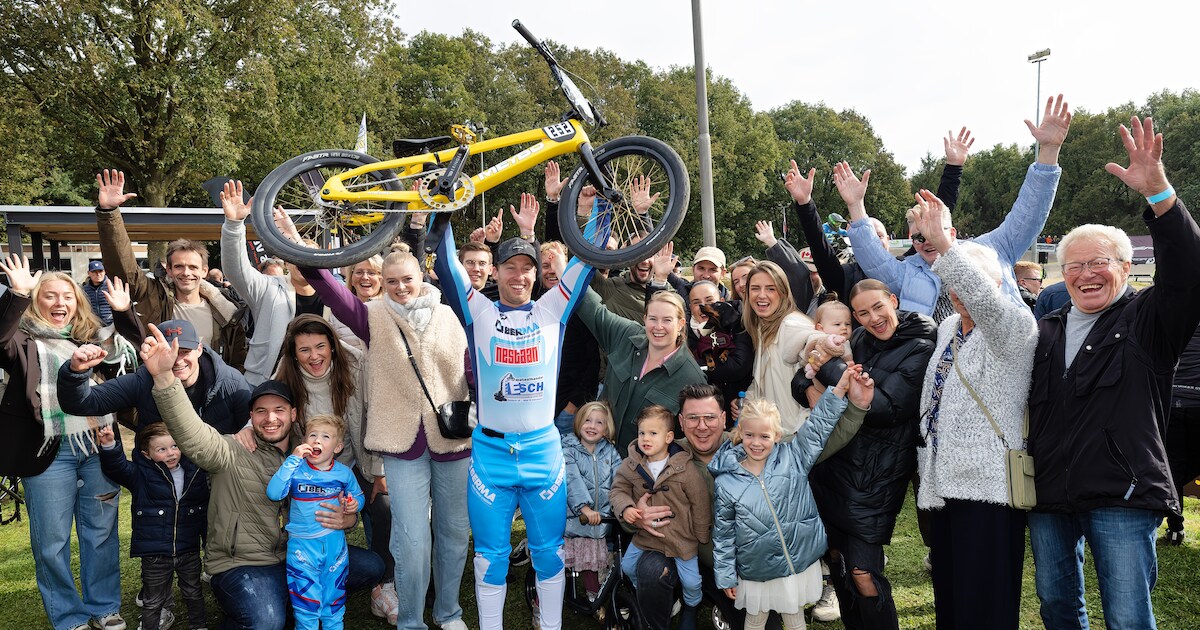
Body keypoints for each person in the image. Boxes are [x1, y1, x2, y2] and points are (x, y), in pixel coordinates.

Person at [1027, 116, 1200, 629]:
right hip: (1051, 496)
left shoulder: (1149, 319)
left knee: (1127, 617)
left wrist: (1160, 195)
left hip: (1122, 494)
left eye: (1099, 262)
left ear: (1126, 268)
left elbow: (1189, 271)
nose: (1086, 274)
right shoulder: (1048, 327)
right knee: (1058, 608)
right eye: (1074, 265)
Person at [144, 326, 384, 630]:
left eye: (278, 410)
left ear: (294, 414)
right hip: (244, 564)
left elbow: (339, 498)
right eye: (261, 411)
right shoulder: (231, 449)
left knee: (371, 567)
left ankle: (292, 597)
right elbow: (191, 434)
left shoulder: (311, 457)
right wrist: (165, 379)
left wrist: (348, 518)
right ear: (251, 417)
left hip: (297, 553)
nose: (270, 418)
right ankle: (269, 606)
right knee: (266, 620)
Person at [430, 195, 594, 630]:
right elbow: (446, 265)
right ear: (495, 273)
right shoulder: (478, 311)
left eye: (527, 267)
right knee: (490, 556)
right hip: (490, 456)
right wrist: (441, 208)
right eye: (510, 268)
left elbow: (590, 257)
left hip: (543, 452)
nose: (519, 276)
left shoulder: (552, 310)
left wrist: (604, 206)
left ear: (536, 273)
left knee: (548, 552)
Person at [301, 250, 472, 630]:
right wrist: (296, 245)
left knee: (454, 533)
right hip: (401, 445)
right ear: (382, 282)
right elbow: (327, 288)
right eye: (391, 281)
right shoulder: (372, 316)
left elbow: (468, 363)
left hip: (452, 441)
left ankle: (448, 612)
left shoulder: (449, 315)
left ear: (421, 277)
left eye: (406, 279)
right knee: (412, 541)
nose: (399, 287)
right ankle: (411, 619)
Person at [908, 192, 1039, 629]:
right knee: (950, 595)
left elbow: (982, 299)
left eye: (971, 282)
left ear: (996, 286)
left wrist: (945, 243)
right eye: (954, 283)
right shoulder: (947, 327)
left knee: (985, 603)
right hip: (942, 481)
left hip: (989, 488)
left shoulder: (1016, 328)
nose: (961, 292)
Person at [0, 253, 140, 630]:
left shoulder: (94, 340)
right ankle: (68, 616)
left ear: (78, 303)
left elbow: (137, 349)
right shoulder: (22, 341)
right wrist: (16, 293)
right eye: (50, 296)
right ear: (35, 301)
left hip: (99, 446)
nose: (60, 303)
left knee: (100, 533)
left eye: (68, 296)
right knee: (52, 543)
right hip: (45, 452)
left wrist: (125, 313)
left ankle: (104, 608)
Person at [839, 98, 1072, 319]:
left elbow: (1028, 214)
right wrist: (856, 206)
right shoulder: (907, 273)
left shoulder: (992, 249)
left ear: (952, 232)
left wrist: (1049, 152)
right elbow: (874, 260)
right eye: (919, 236)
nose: (928, 240)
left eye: (935, 231)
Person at [806, 279, 937, 628]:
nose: (873, 318)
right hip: (835, 465)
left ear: (893, 300)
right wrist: (810, 380)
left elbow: (885, 407)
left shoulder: (921, 348)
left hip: (877, 475)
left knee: (864, 572)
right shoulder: (858, 338)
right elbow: (801, 379)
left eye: (878, 307)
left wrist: (832, 371)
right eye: (862, 313)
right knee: (836, 560)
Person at [711, 368, 873, 630]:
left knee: (794, 618)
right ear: (741, 432)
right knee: (754, 620)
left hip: (796, 561)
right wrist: (727, 575)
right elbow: (724, 534)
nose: (756, 443)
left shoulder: (794, 458)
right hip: (757, 570)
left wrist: (840, 389)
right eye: (750, 435)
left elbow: (818, 427)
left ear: (776, 435)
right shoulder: (727, 481)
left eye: (764, 436)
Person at [783, 128, 972, 316]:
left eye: (878, 235)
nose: (872, 240)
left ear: (888, 240)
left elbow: (937, 221)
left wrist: (953, 168)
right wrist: (805, 203)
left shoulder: (907, 267)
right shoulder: (846, 276)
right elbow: (820, 248)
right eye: (867, 235)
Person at [94, 169, 248, 370]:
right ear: (168, 270)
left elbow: (236, 362)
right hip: (163, 386)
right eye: (179, 266)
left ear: (204, 271)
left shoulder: (227, 312)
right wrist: (109, 213)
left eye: (193, 267)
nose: (186, 273)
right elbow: (124, 271)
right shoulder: (153, 297)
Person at [575, 259, 708, 448]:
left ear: (680, 324)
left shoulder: (692, 377)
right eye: (653, 318)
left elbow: (693, 438)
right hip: (599, 457)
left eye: (667, 320)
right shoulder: (626, 335)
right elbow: (592, 309)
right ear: (644, 319)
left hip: (641, 472)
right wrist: (567, 268)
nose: (658, 327)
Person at [97, 422, 209, 630]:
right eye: (162, 449)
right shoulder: (141, 475)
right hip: (155, 554)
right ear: (147, 454)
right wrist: (110, 445)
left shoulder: (194, 472)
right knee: (153, 600)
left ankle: (199, 626)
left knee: (193, 593)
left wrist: (206, 541)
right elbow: (118, 468)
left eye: (175, 446)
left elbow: (202, 510)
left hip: (188, 550)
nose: (171, 453)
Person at [611, 405, 713, 630]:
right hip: (646, 537)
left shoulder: (684, 468)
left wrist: (701, 534)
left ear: (668, 437)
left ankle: (691, 604)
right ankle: (649, 597)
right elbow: (617, 490)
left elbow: (700, 502)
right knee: (628, 568)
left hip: (681, 539)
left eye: (653, 433)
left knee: (692, 581)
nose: (645, 439)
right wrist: (626, 508)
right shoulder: (632, 464)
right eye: (641, 433)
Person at [58, 318, 250, 435]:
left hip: (210, 482)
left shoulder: (230, 383)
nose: (176, 360)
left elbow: (250, 430)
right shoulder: (144, 380)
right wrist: (76, 372)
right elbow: (81, 403)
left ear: (199, 349)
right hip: (158, 483)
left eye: (184, 351)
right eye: (168, 352)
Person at [267, 415, 365, 630]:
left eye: (325, 436)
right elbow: (274, 493)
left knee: (334, 601)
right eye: (312, 435)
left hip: (335, 546)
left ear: (337, 447)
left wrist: (353, 505)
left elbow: (358, 496)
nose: (317, 440)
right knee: (305, 606)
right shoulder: (296, 470)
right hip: (302, 549)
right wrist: (292, 460)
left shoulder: (344, 473)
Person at [740, 261, 823, 433]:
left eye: (771, 288)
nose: (762, 295)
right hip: (775, 437)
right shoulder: (763, 327)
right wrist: (745, 404)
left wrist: (808, 387)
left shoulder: (792, 325)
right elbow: (762, 384)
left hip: (795, 438)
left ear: (784, 293)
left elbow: (821, 348)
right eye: (755, 288)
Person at [561, 401, 623, 600]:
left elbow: (621, 478)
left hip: (598, 523)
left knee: (591, 563)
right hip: (574, 521)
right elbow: (572, 480)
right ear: (579, 422)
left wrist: (627, 501)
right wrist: (584, 509)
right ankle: (542, 602)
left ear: (606, 429)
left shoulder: (610, 452)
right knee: (561, 567)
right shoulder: (568, 449)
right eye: (587, 420)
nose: (592, 426)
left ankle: (593, 596)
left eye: (599, 422)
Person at [542, 241, 602, 435]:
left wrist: (573, 405)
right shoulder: (533, 304)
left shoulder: (580, 306)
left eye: (556, 265)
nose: (551, 271)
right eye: (545, 266)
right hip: (537, 413)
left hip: (568, 412)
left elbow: (593, 359)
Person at [686, 280, 753, 418]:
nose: (703, 306)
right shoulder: (684, 333)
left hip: (734, 413)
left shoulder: (738, 327)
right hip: (698, 417)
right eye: (697, 302)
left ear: (722, 301)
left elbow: (738, 367)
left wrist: (697, 368)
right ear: (690, 307)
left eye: (710, 300)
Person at [1163, 325, 1200, 544]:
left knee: (1174, 466)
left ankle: (1175, 526)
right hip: (1191, 403)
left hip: (1174, 400)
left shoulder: (1177, 322)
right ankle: (1174, 523)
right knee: (1179, 466)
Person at [81, 259, 113, 326]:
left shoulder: (112, 287)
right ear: (89, 273)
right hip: (93, 325)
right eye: (94, 272)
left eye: (100, 271)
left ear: (104, 272)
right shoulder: (84, 289)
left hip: (112, 325)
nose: (98, 274)